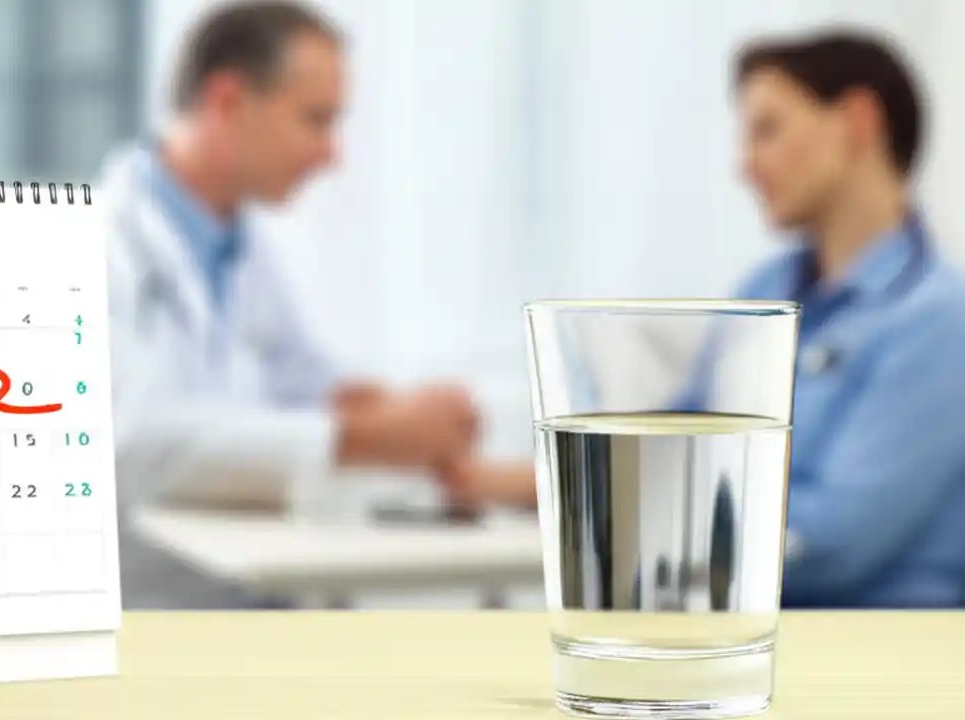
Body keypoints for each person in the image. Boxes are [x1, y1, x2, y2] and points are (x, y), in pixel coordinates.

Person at [447, 31, 965, 608]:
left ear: (858, 123)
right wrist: (515, 481)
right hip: (736, 629)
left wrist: (632, 504)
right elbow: (682, 439)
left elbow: (830, 545)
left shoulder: (941, 322)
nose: (744, 166)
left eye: (767, 129)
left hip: (877, 658)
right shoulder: (765, 292)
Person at [97, 1, 479, 608]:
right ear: (227, 103)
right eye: (316, 120)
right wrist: (367, 433)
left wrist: (410, 415)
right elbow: (134, 441)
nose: (332, 155)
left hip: (256, 591)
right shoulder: (100, 246)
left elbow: (305, 382)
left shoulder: (240, 249)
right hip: (154, 612)